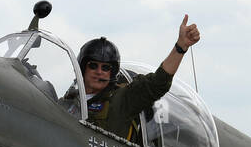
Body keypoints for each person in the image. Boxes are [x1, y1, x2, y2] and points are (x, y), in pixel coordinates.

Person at [68, 15, 201, 139]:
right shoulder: (68, 101)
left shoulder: (121, 100)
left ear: (112, 72)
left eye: (106, 68)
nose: (99, 72)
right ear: (83, 68)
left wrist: (180, 47)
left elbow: (156, 83)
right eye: (93, 66)